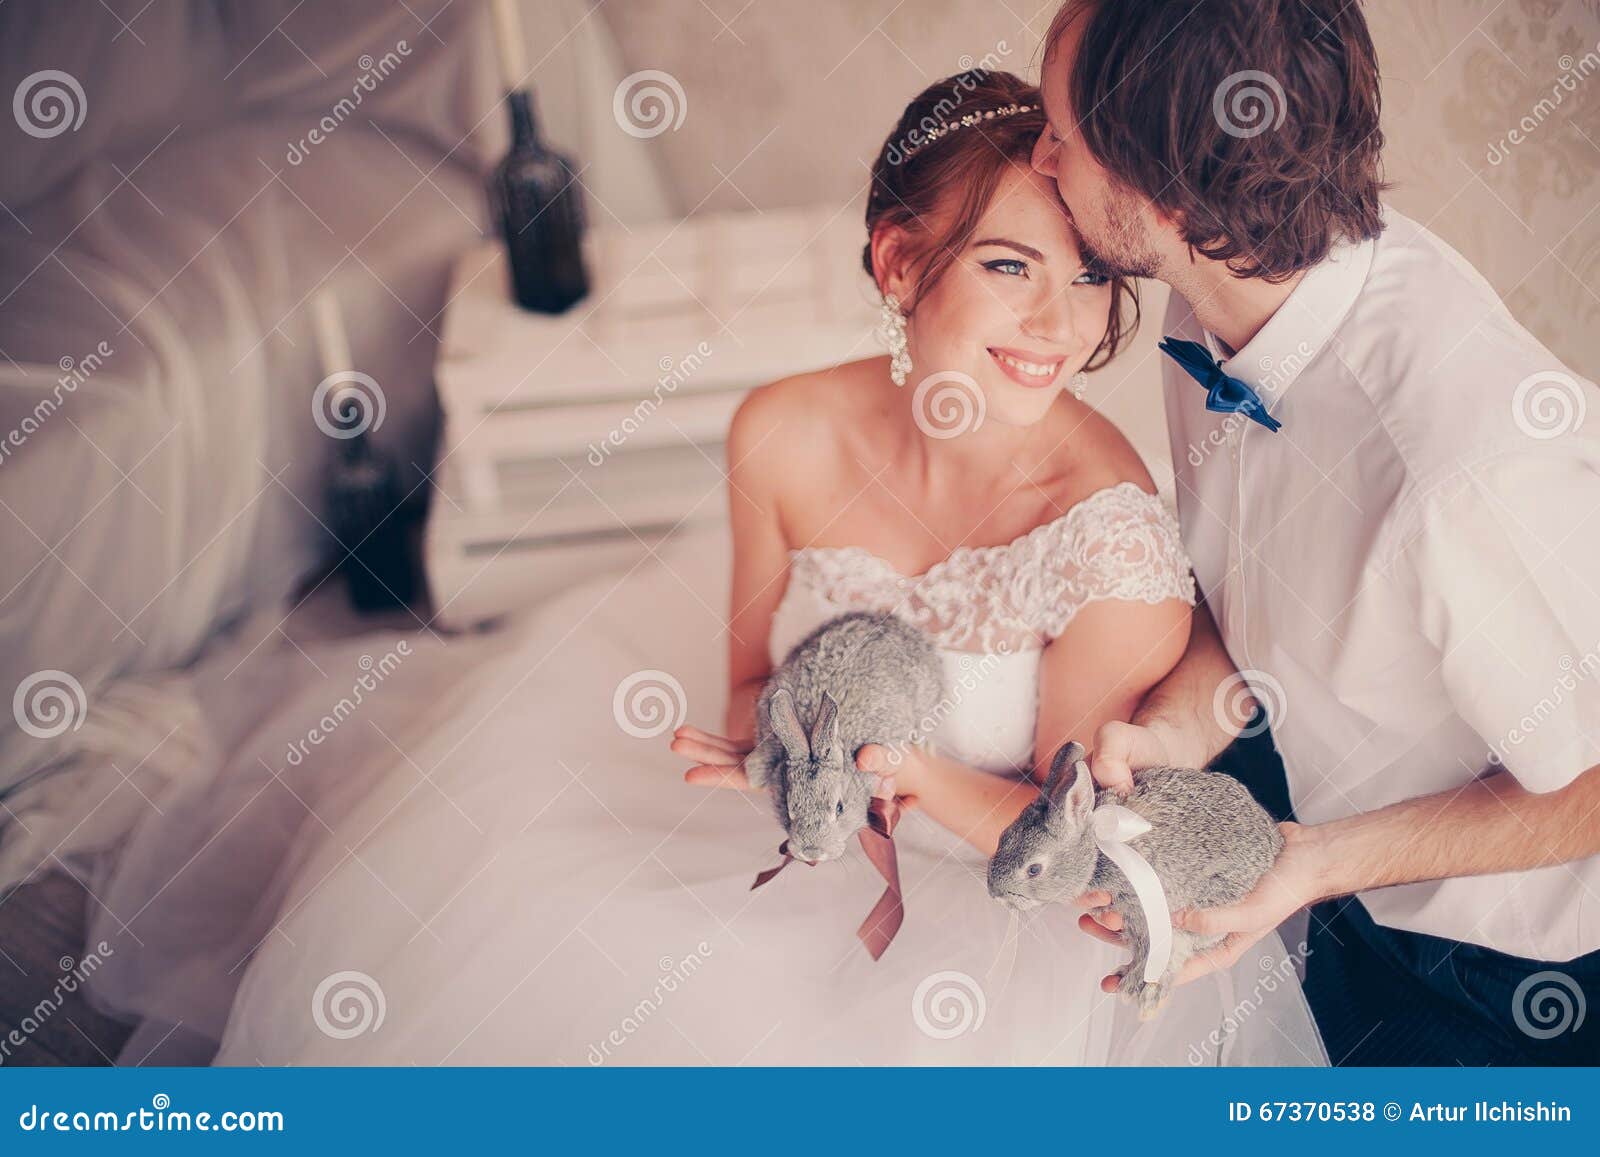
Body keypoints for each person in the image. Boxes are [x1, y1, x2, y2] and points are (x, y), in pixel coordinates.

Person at [89, 71, 1322, 1065]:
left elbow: (1066, 840)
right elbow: (745, 669)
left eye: (1089, 277)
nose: (1059, 326)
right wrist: (770, 753)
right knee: (537, 964)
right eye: (1010, 266)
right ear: (900, 264)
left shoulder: (1109, 537)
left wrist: (891, 771)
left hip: (1007, 913)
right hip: (792, 831)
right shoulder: (779, 430)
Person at [1032, 0, 1600, 1064]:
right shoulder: (1213, 298)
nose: (1038, 153)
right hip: (1338, 870)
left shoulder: (1466, 469)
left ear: (1156, 195)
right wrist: (1171, 732)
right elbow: (1249, 593)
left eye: (1058, 131)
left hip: (1516, 973)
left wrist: (1316, 860)